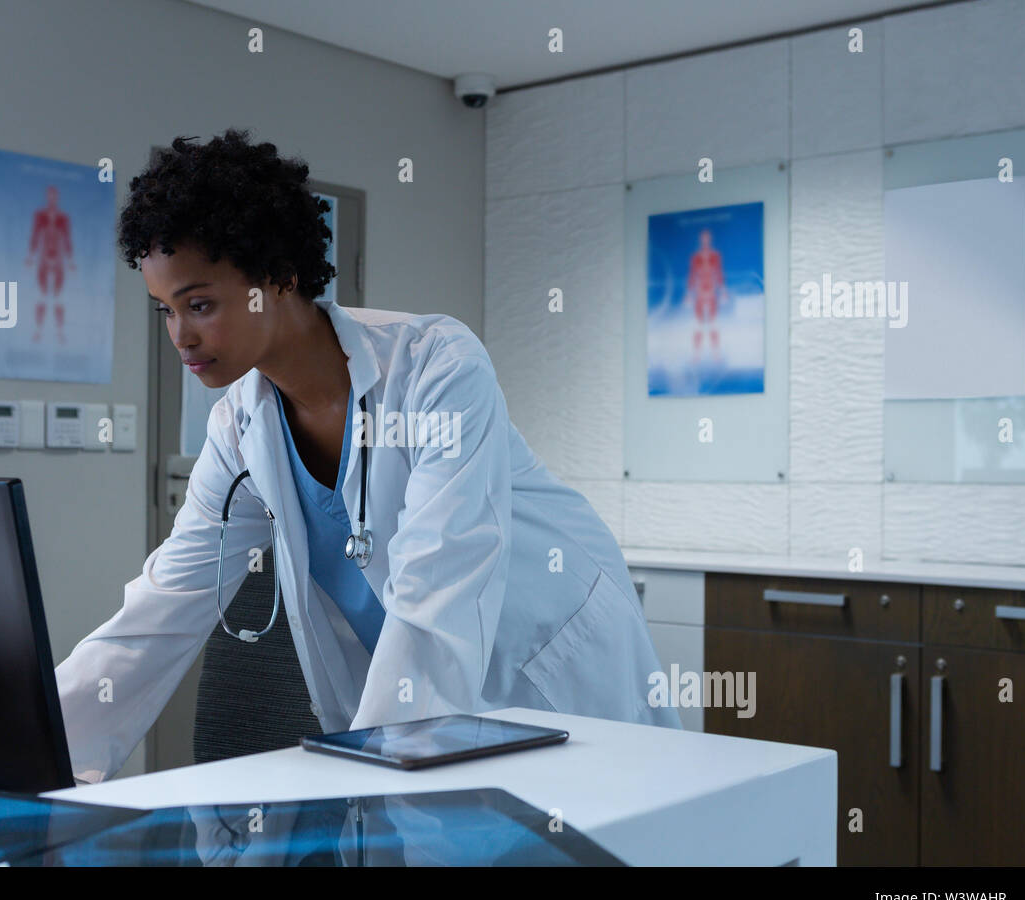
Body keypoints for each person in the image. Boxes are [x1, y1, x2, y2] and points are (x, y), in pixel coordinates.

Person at [55, 128, 679, 783]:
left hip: (553, 674)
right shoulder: (239, 425)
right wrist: (38, 749)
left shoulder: (436, 367)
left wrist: (368, 783)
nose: (180, 336)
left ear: (279, 274)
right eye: (165, 310)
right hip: (430, 719)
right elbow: (162, 608)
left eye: (200, 304)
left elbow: (437, 598)